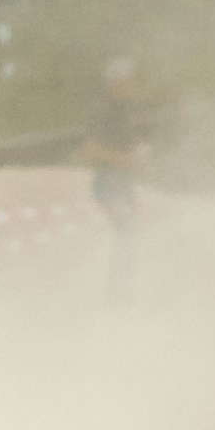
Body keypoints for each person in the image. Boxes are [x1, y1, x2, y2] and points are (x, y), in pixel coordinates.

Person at [81, 56, 156, 290]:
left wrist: (140, 162)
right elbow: (90, 150)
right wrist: (128, 160)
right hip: (107, 184)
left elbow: (127, 149)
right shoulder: (103, 111)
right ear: (115, 83)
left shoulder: (125, 112)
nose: (131, 86)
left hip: (122, 184)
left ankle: (122, 292)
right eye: (127, 81)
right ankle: (116, 296)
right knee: (124, 237)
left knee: (128, 238)